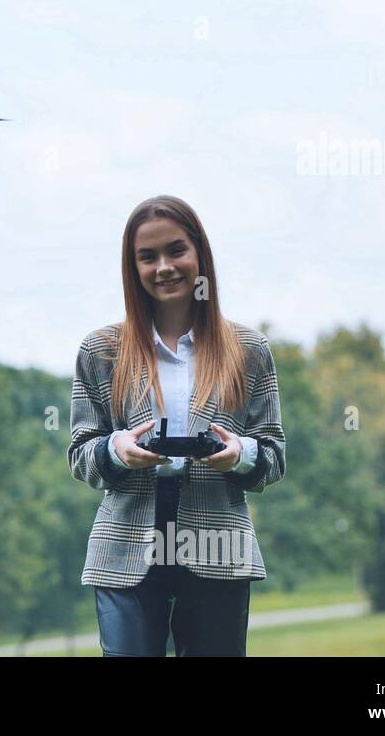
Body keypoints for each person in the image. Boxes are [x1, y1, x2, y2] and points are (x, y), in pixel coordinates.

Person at [67, 195, 286, 656]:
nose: (164, 266)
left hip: (217, 541)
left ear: (199, 254)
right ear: (133, 268)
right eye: (148, 257)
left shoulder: (248, 350)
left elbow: (273, 456)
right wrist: (115, 450)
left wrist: (239, 455)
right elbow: (80, 454)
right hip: (125, 545)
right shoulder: (100, 350)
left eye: (176, 250)